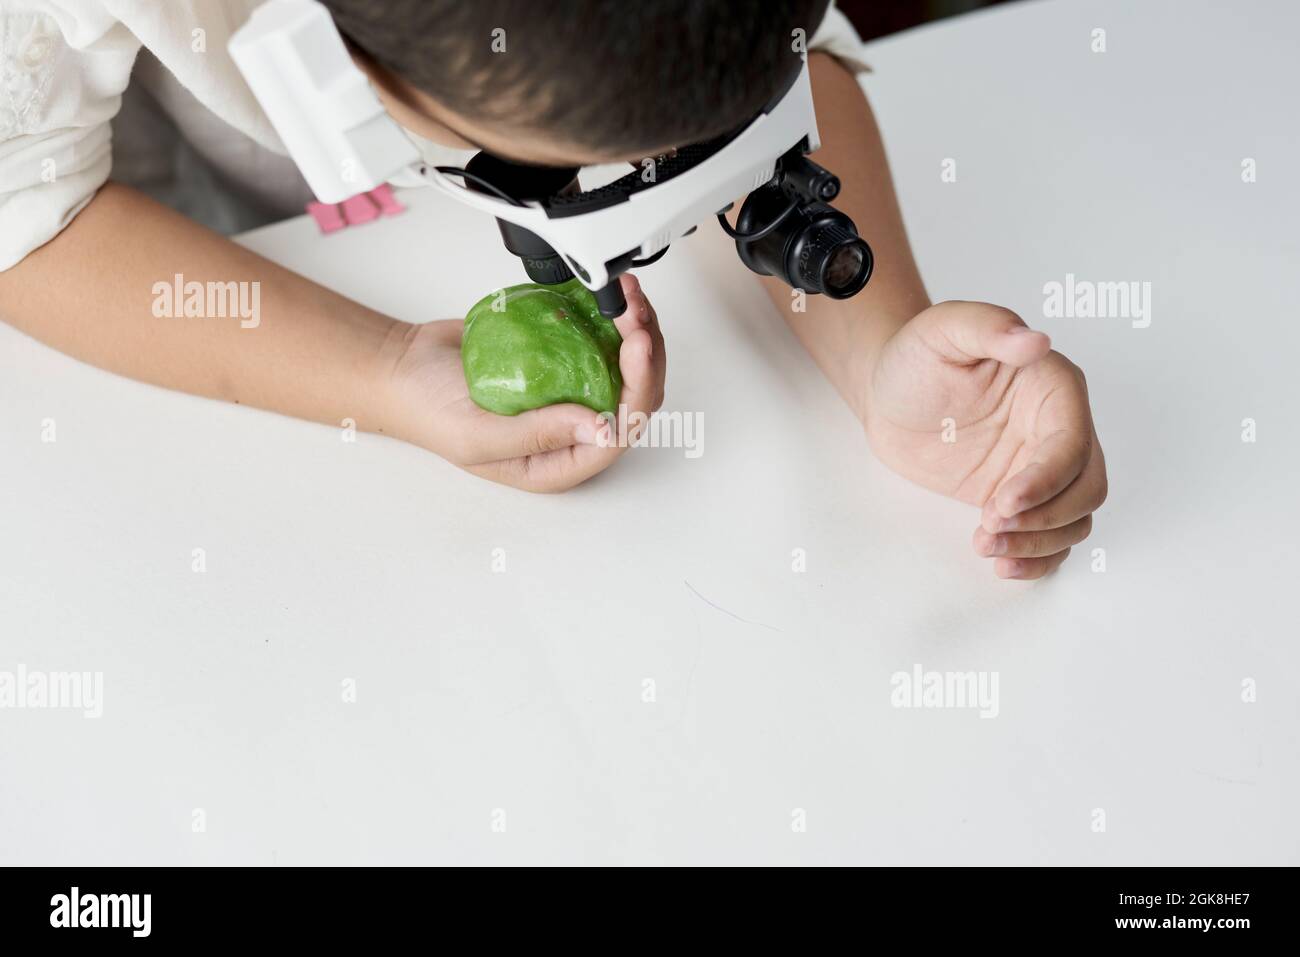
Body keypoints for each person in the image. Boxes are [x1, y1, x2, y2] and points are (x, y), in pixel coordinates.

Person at [0, 0, 1106, 578]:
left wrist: (879, 342)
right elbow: (29, 209)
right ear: (323, 62)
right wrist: (377, 372)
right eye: (569, 167)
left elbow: (783, 57)